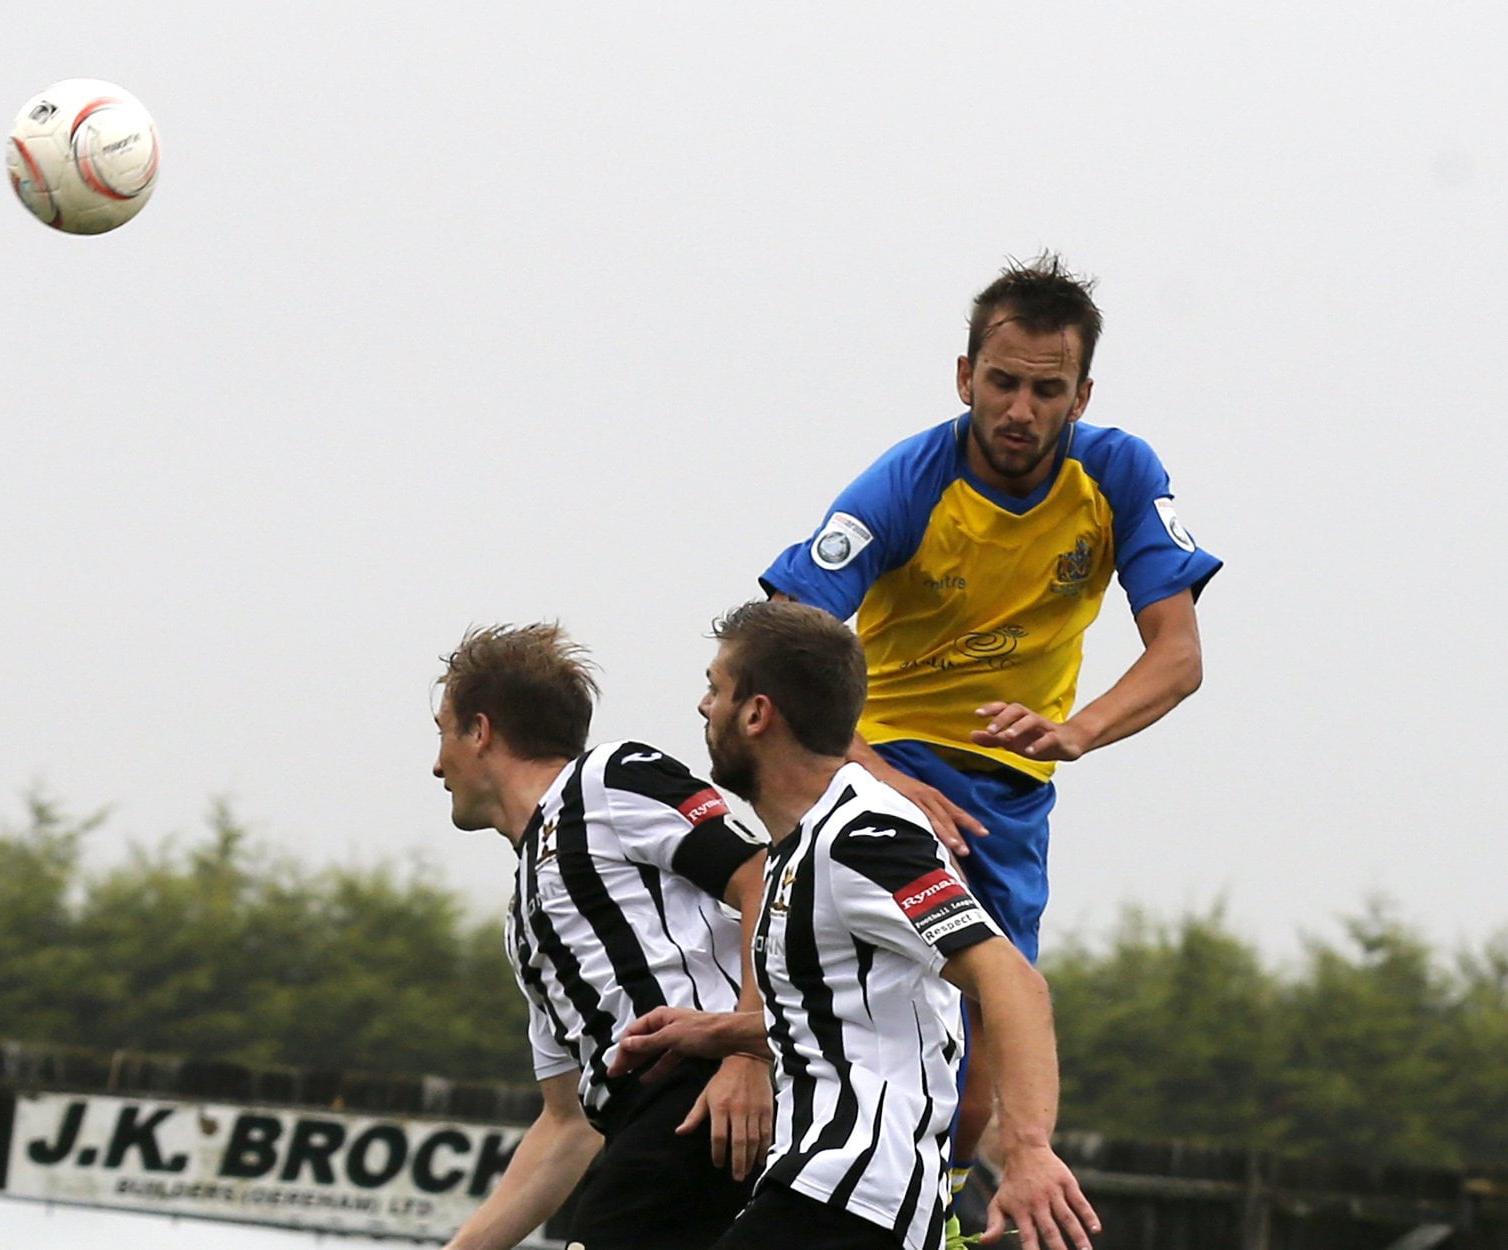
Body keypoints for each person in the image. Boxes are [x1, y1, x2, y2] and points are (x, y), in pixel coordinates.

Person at [757, 252, 1221, 1201]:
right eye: (1002, 382)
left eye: (1046, 390)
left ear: (1080, 393)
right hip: (878, 768)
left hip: (1010, 795)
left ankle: (943, 1207)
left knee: (971, 1084)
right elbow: (778, 647)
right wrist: (880, 775)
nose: (1020, 409)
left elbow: (1179, 655)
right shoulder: (904, 482)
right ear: (965, 375)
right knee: (853, 1027)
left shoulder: (1118, 474)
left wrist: (1078, 730)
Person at [614, 600, 1099, 1250]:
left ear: (757, 713)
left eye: (716, 688)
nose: (704, 707)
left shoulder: (863, 834)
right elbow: (867, 1020)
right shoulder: (804, 844)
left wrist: (1028, 1148)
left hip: (849, 1192)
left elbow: (1009, 977)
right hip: (831, 1190)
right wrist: (721, 1031)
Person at [431, 623, 772, 1250]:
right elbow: (567, 1125)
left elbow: (761, 880)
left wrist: (749, 1052)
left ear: (479, 732)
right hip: (640, 1129)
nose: (436, 765)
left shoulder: (609, 779)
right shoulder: (527, 916)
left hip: (704, 1090)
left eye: (443, 734)